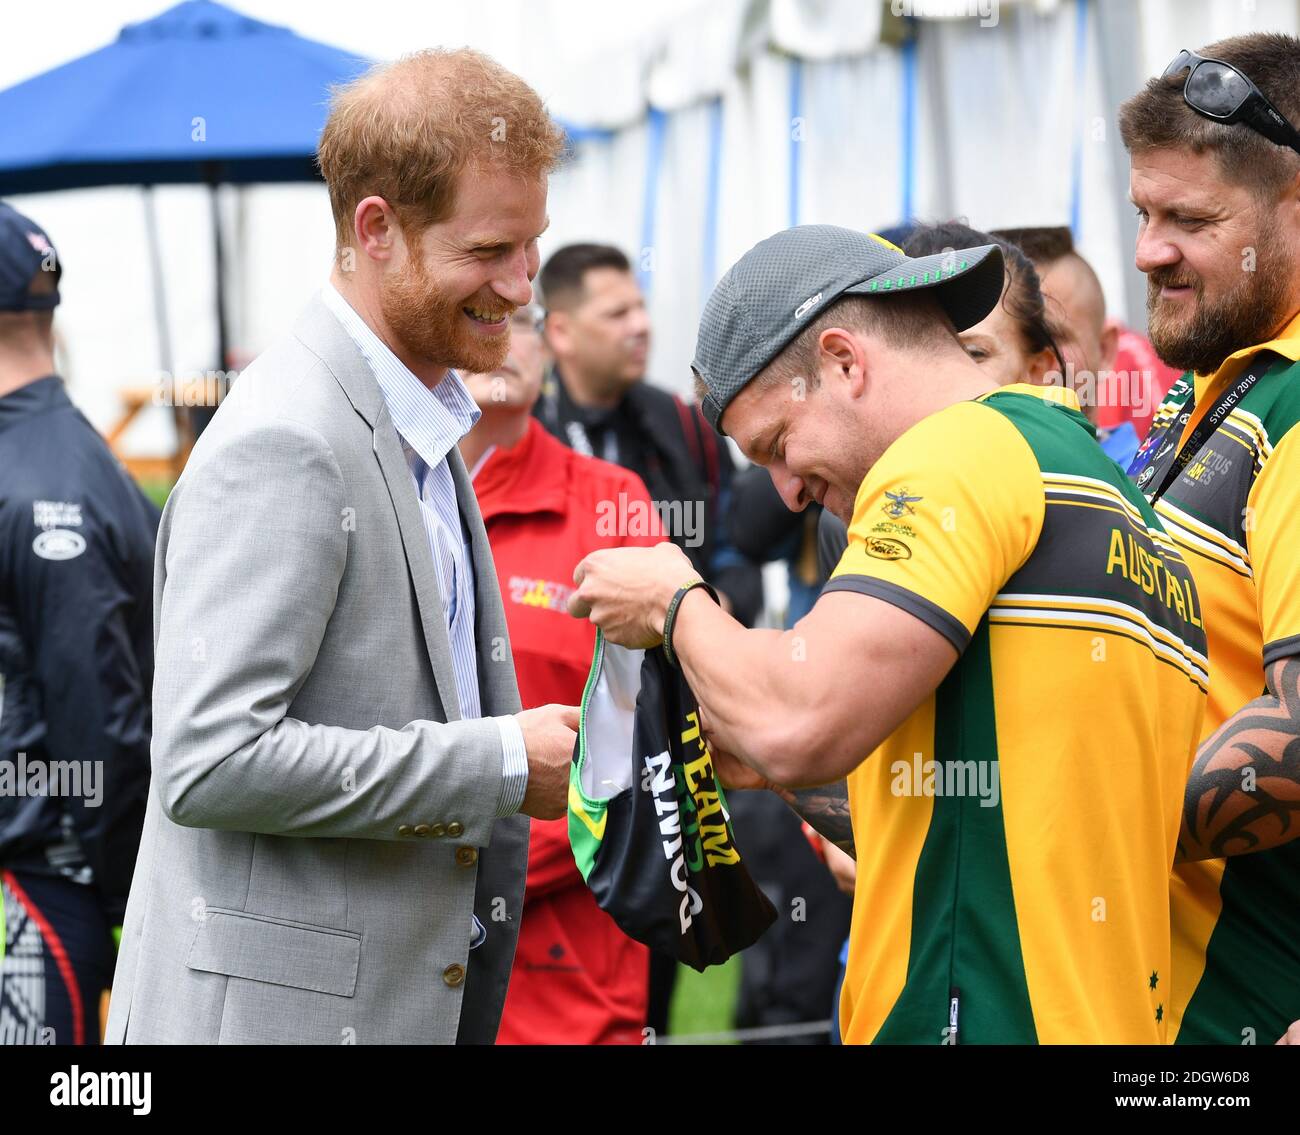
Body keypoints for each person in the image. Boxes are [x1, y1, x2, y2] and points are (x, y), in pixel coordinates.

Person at [568, 224, 1208, 1044]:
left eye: (776, 445)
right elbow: (997, 810)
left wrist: (672, 600)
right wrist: (768, 770)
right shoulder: (1106, 490)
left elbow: (799, 720)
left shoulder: (953, 453)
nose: (788, 491)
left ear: (843, 360)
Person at [105, 48, 578, 1046]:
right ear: (377, 229)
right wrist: (497, 761)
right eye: (491, 249)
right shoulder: (288, 438)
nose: (524, 285)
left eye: (533, 245)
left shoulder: (419, 414)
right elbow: (210, 759)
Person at [1120, 32, 1300, 1045]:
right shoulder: (1209, 385)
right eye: (1144, 211)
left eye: (1189, 219)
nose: (1147, 248)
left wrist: (1059, 822)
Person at [459, 302, 655, 1045]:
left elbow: (650, 741)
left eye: (525, 319)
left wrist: (473, 867)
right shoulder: (397, 498)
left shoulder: (613, 505)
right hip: (402, 959)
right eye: (477, 312)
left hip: (563, 973)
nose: (504, 336)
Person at [0, 204, 158, 1045]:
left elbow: (101, 718)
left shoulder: (40, 482)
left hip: (36, 890)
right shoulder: (75, 455)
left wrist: (128, 897)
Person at [535, 243, 762, 627]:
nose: (641, 325)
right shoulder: (524, 429)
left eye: (640, 308)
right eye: (617, 314)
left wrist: (702, 614)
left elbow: (736, 550)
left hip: (674, 662)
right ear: (560, 332)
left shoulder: (686, 424)